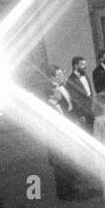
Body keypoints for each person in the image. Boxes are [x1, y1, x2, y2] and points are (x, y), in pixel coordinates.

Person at [46, 66, 79, 200]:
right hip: (56, 137)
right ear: (52, 78)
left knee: (67, 162)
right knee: (60, 165)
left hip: (66, 131)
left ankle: (70, 187)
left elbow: (67, 107)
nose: (62, 77)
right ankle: (64, 193)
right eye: (59, 75)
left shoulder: (62, 89)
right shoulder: (49, 101)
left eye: (62, 74)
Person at [65, 56, 94, 129]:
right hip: (83, 112)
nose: (85, 67)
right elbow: (75, 100)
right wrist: (81, 114)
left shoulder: (85, 75)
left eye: (85, 64)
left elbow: (90, 92)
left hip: (91, 108)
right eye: (82, 64)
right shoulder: (71, 80)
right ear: (75, 66)